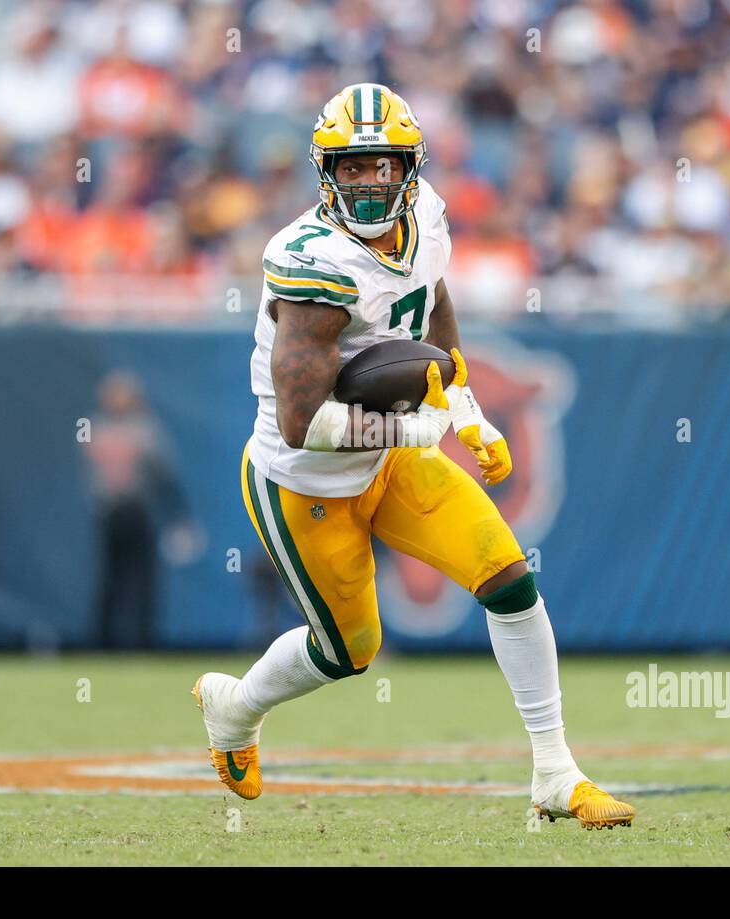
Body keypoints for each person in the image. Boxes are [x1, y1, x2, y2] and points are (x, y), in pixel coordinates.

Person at [192, 84, 635, 829]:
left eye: (384, 164)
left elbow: (434, 306)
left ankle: (556, 772)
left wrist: (466, 412)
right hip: (306, 480)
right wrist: (411, 431)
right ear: (326, 172)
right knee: (350, 649)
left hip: (392, 455)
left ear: (410, 166)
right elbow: (303, 422)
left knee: (508, 578)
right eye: (353, 166)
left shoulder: (425, 215)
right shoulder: (311, 264)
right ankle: (236, 709)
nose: (370, 181)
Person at [85, 371, 187, 650]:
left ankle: (140, 641)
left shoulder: (144, 431)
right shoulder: (101, 428)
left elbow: (165, 477)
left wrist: (178, 516)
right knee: (111, 579)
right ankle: (104, 641)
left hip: (137, 511)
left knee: (141, 580)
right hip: (110, 513)